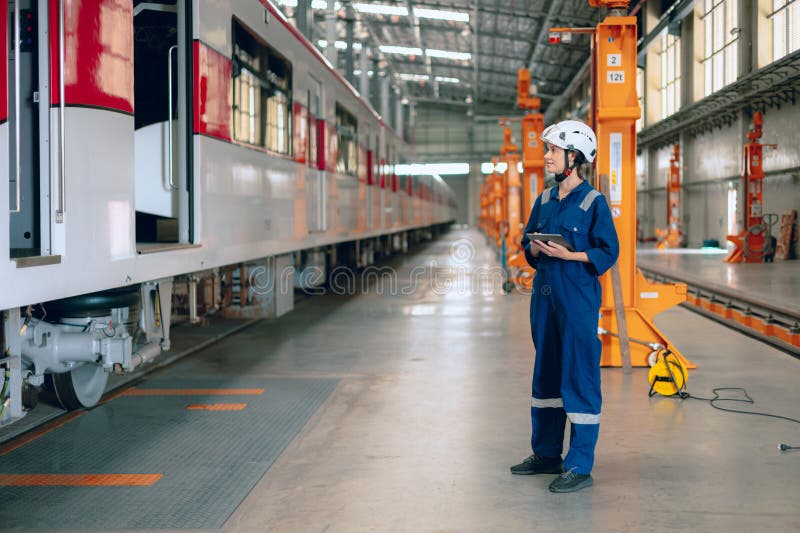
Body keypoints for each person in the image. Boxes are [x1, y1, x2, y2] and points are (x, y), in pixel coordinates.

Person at [510, 120, 619, 493]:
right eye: (548, 150)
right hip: (544, 298)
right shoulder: (543, 200)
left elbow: (608, 252)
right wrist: (534, 248)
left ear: (574, 156)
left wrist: (572, 255)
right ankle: (546, 454)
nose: (547, 157)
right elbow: (527, 246)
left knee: (578, 375)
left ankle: (579, 464)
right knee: (546, 375)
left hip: (576, 298)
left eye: (554, 151)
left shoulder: (593, 202)